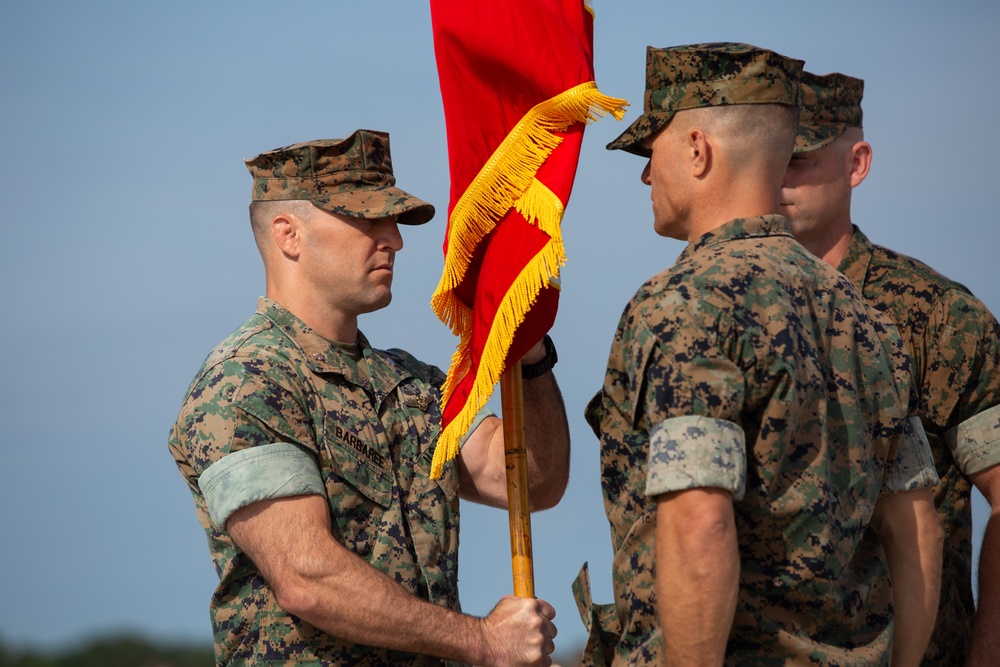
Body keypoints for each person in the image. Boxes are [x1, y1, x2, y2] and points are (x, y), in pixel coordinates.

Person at [579, 43, 943, 665]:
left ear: (697, 149)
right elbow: (916, 533)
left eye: (652, 151)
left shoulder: (685, 305)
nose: (645, 174)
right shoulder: (865, 317)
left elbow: (701, 523)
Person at [168, 130, 571, 667]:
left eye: (394, 222)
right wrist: (481, 641)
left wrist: (531, 354)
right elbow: (306, 577)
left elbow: (533, 481)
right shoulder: (247, 381)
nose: (394, 241)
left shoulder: (409, 383)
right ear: (288, 234)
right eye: (366, 219)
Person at [781, 72, 1000, 666]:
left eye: (798, 157)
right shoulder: (722, 309)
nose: (777, 176)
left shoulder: (936, 316)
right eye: (768, 153)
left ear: (857, 164)